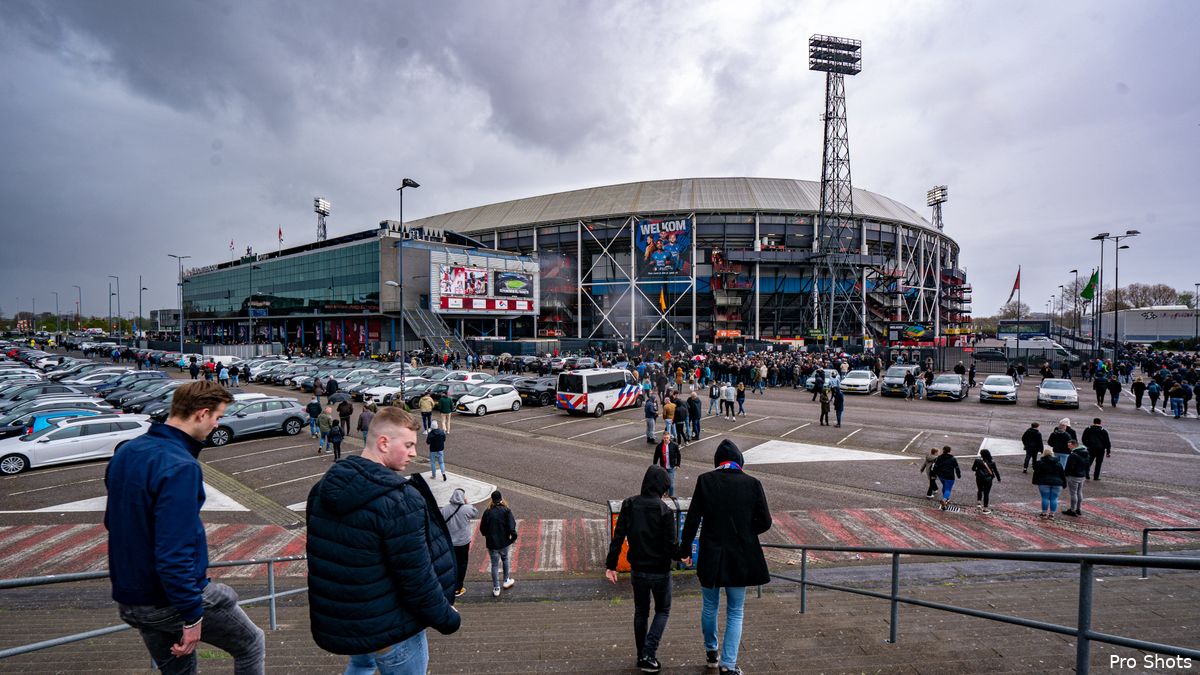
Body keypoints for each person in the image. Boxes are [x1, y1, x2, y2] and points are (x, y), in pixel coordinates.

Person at [105, 381, 265, 674]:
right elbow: (173, 551)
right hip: (168, 600)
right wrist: (192, 616)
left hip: (131, 598)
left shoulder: (127, 452)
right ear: (202, 414)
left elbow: (113, 523)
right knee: (251, 644)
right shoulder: (180, 466)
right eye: (217, 417)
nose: (217, 425)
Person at [306, 407, 461, 673]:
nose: (414, 453)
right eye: (409, 445)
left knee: (361, 664)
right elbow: (416, 577)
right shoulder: (399, 500)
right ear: (384, 443)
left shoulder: (322, 489)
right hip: (391, 625)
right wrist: (447, 618)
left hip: (353, 619)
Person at [677, 440, 771, 674]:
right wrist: (746, 532)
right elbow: (765, 521)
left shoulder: (705, 481)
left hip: (711, 554)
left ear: (717, 461)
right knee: (736, 611)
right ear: (739, 461)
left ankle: (711, 651)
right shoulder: (752, 483)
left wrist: (685, 550)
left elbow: (693, 519)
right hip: (740, 557)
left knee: (710, 606)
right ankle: (728, 665)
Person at [605, 466, 680, 673]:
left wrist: (611, 565)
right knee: (662, 610)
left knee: (641, 611)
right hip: (660, 571)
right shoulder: (665, 511)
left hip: (637, 569)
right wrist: (680, 555)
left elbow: (618, 537)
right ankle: (649, 653)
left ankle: (641, 655)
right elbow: (671, 546)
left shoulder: (629, 504)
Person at [480, 491, 518, 598]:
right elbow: (512, 527)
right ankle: (506, 580)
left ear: (492, 500)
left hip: (492, 543)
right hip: (504, 541)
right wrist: (513, 538)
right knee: (505, 559)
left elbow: (482, 528)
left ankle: (496, 588)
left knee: (494, 565)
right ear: (501, 499)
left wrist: (487, 535)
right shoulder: (506, 511)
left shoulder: (487, 512)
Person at [441, 487, 478, 598]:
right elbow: (475, 513)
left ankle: (450, 585)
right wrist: (467, 503)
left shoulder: (445, 509)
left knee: (451, 564)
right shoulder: (467, 508)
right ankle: (458, 588)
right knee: (462, 564)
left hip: (450, 542)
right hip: (463, 542)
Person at [1032, 448, 1067, 520]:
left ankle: (1044, 513)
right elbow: (1062, 475)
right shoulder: (1058, 463)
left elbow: (1036, 473)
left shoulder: (1040, 463)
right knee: (1054, 498)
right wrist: (1064, 483)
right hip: (1057, 483)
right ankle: (1052, 514)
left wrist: (1035, 481)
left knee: (1045, 498)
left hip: (1044, 482)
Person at [1063, 440, 1090, 517]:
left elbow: (1069, 466)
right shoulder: (1086, 453)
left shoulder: (1073, 455)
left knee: (1073, 493)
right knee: (1079, 492)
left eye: (1069, 445)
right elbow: (1088, 465)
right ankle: (1078, 509)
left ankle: (1072, 510)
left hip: (1073, 476)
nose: (1068, 447)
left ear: (1074, 445)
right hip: (1082, 475)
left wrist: (1066, 474)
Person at [651, 430, 682, 497]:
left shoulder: (674, 445)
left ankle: (671, 496)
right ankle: (665, 492)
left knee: (671, 484)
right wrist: (654, 465)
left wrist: (678, 464)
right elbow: (656, 456)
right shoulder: (659, 446)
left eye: (667, 438)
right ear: (663, 438)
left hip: (671, 467)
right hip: (663, 468)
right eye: (664, 438)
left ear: (669, 437)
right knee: (663, 482)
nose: (666, 439)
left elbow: (678, 455)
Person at [971, 449, 1000, 514]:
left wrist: (978, 470)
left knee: (979, 489)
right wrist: (998, 478)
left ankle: (979, 503)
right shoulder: (992, 462)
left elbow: (973, 469)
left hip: (979, 477)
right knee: (986, 493)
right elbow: (996, 471)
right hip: (988, 479)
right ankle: (985, 508)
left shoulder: (977, 461)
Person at [932, 445, 961, 511]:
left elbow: (935, 466)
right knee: (948, 489)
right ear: (949, 451)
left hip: (941, 476)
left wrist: (934, 474)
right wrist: (958, 475)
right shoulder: (953, 459)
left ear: (943, 450)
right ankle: (944, 499)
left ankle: (946, 498)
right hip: (949, 476)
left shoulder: (939, 457)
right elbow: (957, 467)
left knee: (944, 486)